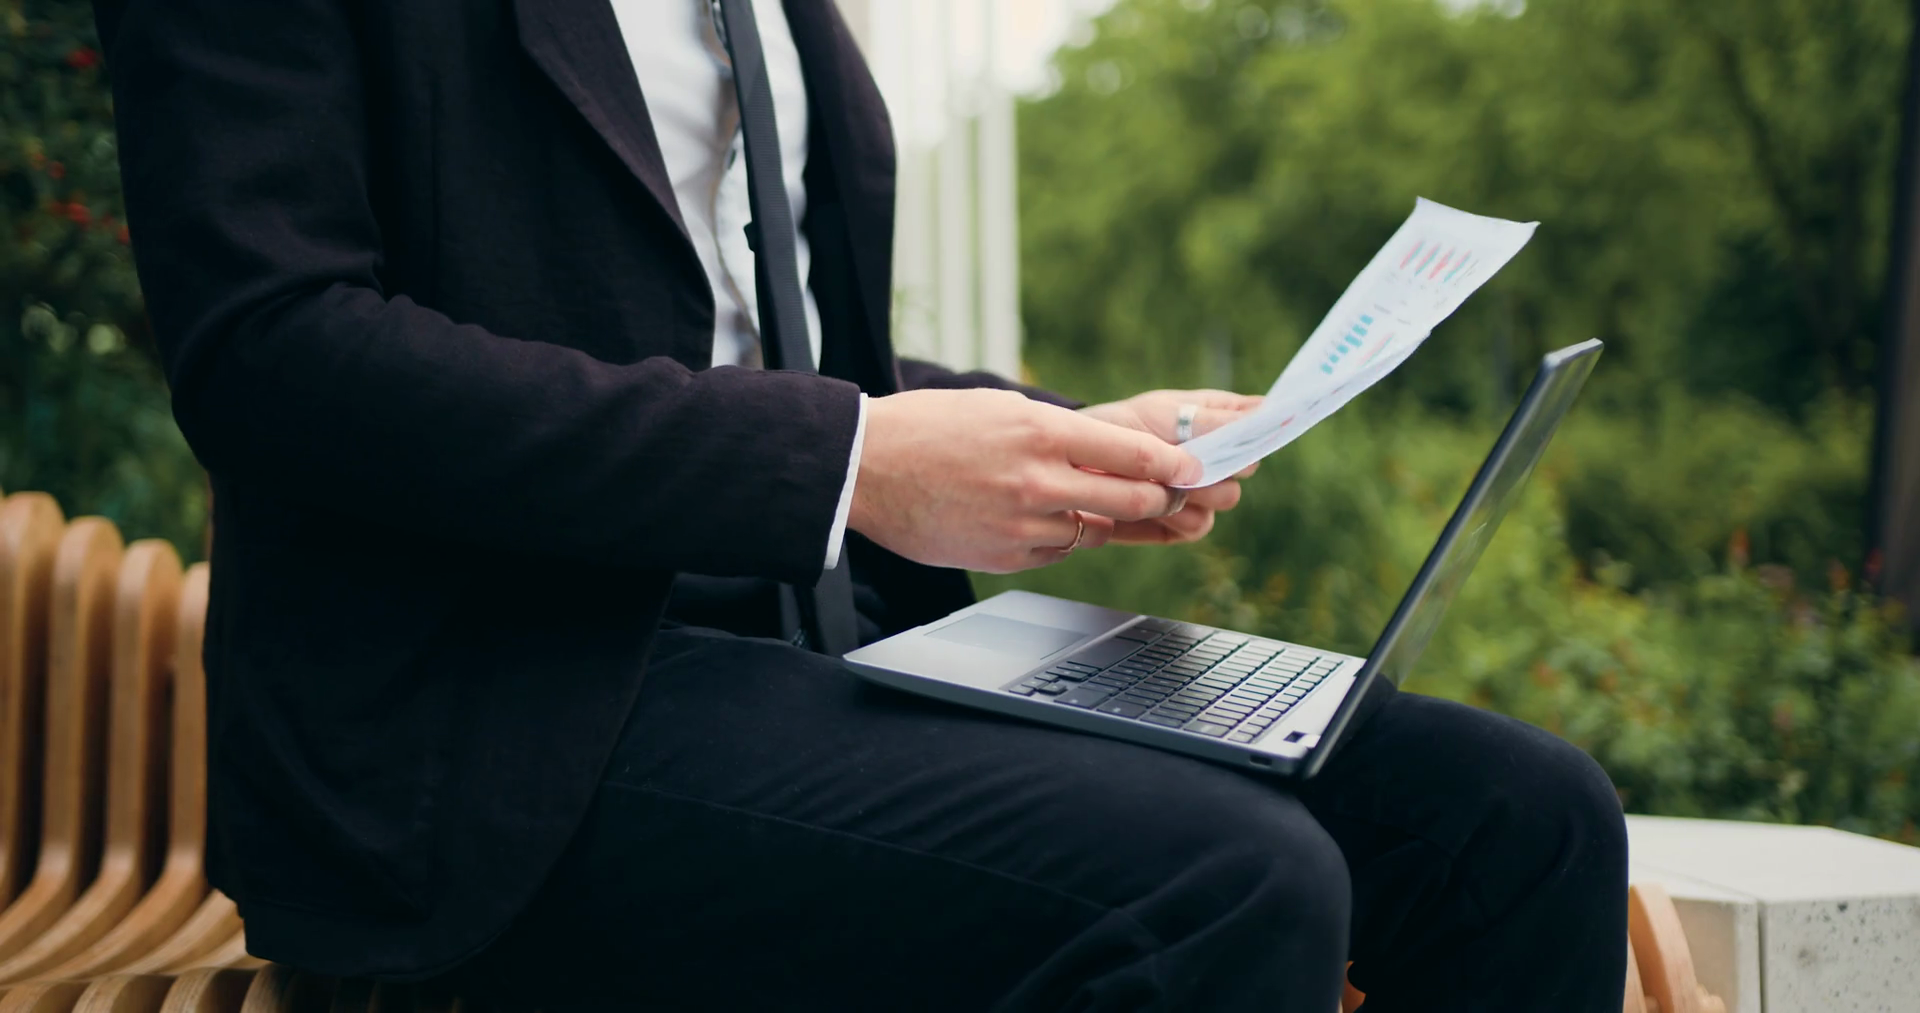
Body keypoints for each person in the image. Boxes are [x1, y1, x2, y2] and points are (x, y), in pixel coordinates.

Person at [93, 0, 1627, 1009]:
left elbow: (757, 347)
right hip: (498, 722)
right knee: (1228, 886)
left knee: (1524, 820)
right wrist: (848, 465)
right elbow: (275, 357)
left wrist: (1055, 436)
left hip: (823, 651)